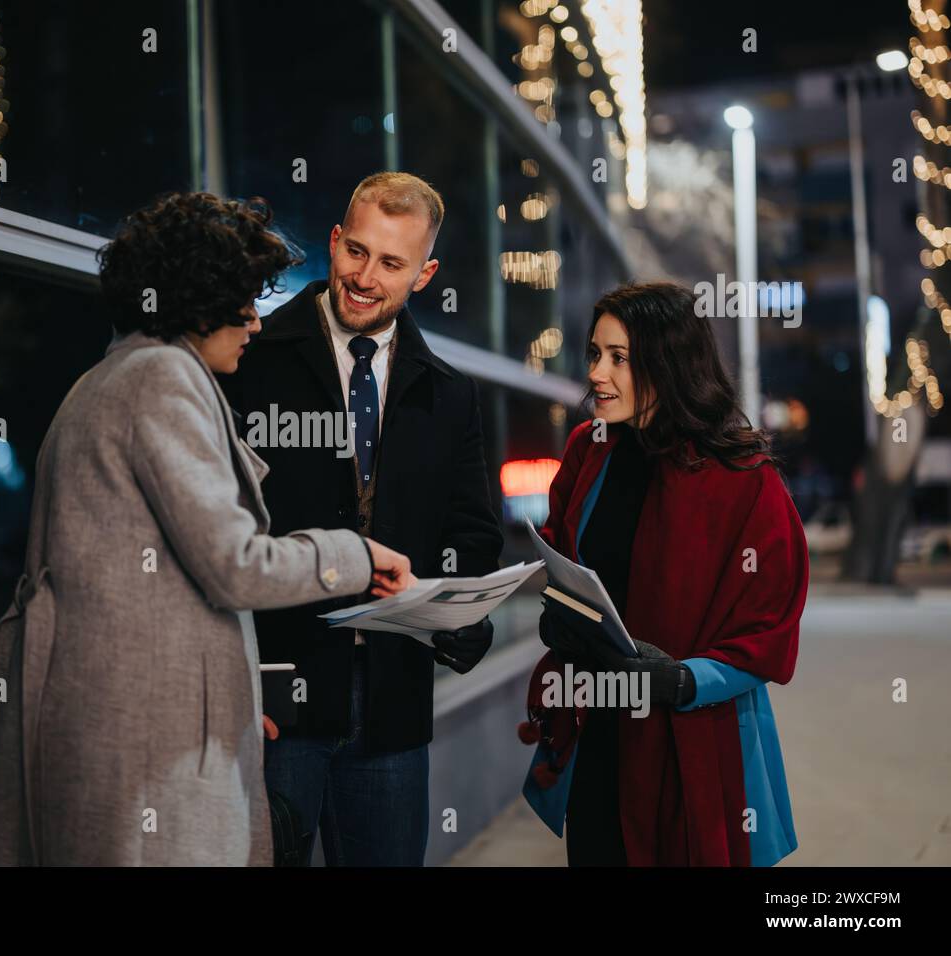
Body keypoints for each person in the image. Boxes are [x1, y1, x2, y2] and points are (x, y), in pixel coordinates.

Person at [0, 192, 416, 866]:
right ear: (198, 301)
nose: (255, 322)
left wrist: (233, 700)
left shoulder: (102, 380)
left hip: (120, 723)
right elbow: (233, 565)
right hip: (149, 749)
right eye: (242, 302)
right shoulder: (162, 378)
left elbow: (150, 584)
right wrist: (353, 554)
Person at [221, 172, 504, 866]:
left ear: (425, 273)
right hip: (275, 699)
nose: (365, 278)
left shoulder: (449, 395)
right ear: (335, 240)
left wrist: (461, 615)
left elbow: (471, 535)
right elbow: (220, 529)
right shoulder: (249, 361)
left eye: (392, 263)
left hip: (393, 706)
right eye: (357, 252)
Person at [519, 281, 808, 866]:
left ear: (669, 362)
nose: (597, 373)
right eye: (594, 354)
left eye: (619, 358)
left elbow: (770, 628)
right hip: (598, 725)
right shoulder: (589, 447)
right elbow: (561, 550)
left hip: (694, 740)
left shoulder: (742, 477)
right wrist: (561, 615)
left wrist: (682, 679)